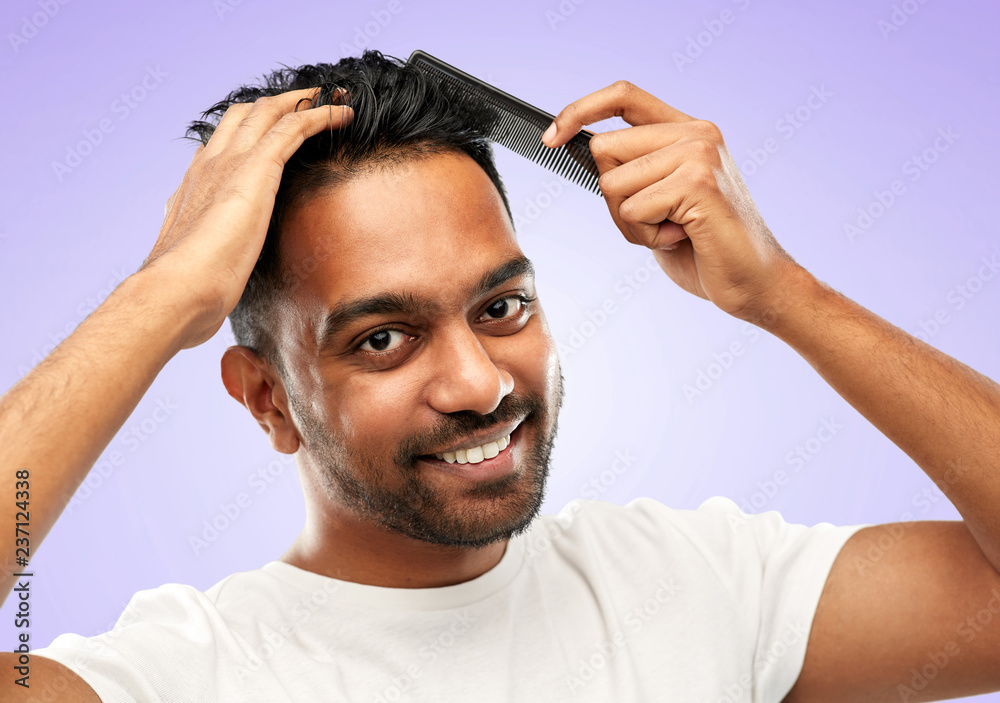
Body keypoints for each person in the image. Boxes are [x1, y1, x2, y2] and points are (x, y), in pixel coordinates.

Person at [1, 49, 998, 702]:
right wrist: (158, 297)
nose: (477, 383)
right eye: (383, 339)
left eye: (500, 308)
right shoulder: (184, 676)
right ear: (269, 399)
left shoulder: (696, 586)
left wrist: (782, 293)